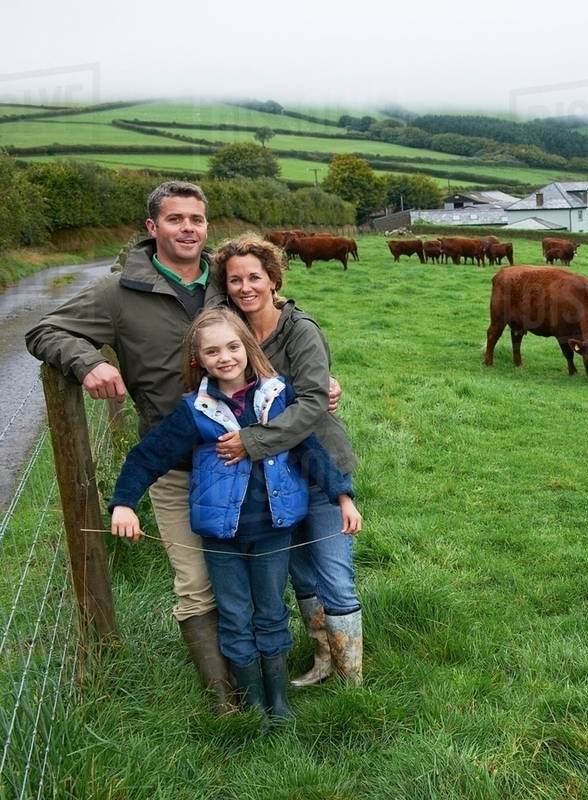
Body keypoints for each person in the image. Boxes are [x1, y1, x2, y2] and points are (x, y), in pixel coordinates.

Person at [25, 181, 235, 706]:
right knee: (194, 581)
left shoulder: (228, 281)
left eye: (197, 219)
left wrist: (318, 372)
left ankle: (261, 678)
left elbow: (283, 319)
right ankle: (223, 698)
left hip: (243, 458)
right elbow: (45, 331)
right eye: (175, 219)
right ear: (152, 228)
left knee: (248, 568)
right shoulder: (118, 293)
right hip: (172, 462)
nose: (188, 228)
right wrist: (89, 361)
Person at [108, 308, 362, 722]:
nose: (224, 357)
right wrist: (123, 502)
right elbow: (148, 456)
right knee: (235, 614)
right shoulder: (196, 411)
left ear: (247, 346)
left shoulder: (278, 397)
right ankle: (254, 704)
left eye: (232, 346)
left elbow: (310, 450)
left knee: (271, 611)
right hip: (222, 536)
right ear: (199, 360)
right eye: (212, 351)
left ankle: (279, 703)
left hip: (272, 533)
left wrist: (342, 497)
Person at [212, 234, 364, 685]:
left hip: (319, 468)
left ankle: (352, 681)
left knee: (334, 572)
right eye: (234, 279)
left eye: (254, 277)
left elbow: (314, 401)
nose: (245, 287)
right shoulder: (232, 335)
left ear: (274, 279)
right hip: (275, 479)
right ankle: (323, 663)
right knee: (301, 573)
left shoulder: (300, 330)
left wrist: (253, 440)